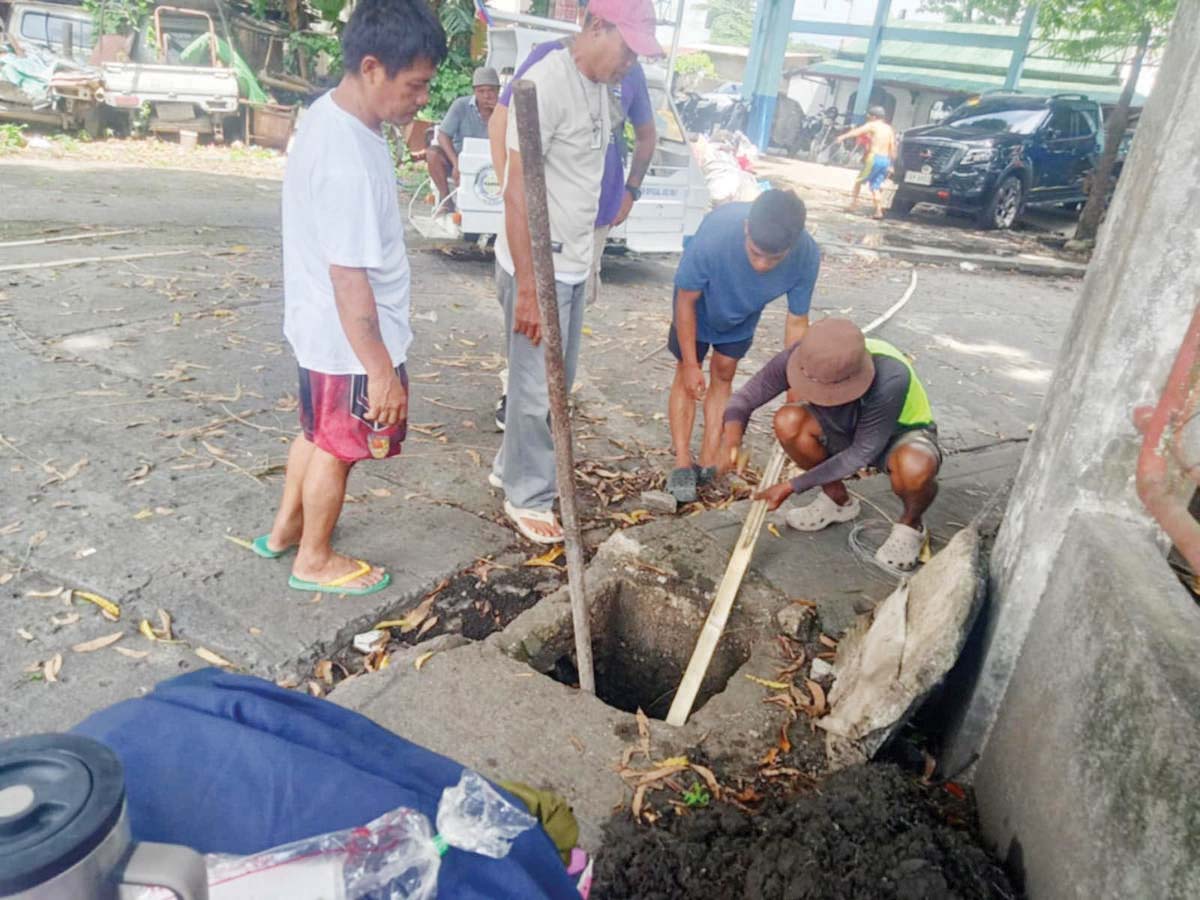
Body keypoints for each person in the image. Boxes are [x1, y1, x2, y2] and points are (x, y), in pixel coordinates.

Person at [254, 0, 445, 595]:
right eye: (414, 86)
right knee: (338, 448)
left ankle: (286, 530)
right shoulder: (348, 162)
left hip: (319, 331)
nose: (421, 100)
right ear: (371, 67)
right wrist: (381, 372)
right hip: (349, 342)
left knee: (315, 434)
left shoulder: (328, 117)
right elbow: (350, 278)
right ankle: (315, 558)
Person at [491, 0, 662, 543]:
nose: (632, 61)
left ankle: (511, 467)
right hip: (538, 268)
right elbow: (518, 191)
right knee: (538, 388)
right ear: (593, 26)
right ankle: (528, 496)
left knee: (549, 384)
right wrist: (528, 287)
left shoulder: (601, 86)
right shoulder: (544, 82)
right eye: (628, 46)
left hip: (569, 263)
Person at [719, 317, 941, 571]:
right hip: (843, 423)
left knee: (914, 467)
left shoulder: (891, 375)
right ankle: (837, 501)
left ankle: (912, 524)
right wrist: (732, 439)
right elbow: (745, 398)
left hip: (898, 433)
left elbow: (862, 452)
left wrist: (792, 486)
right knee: (789, 421)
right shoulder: (808, 356)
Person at [665, 189, 818, 504]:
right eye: (755, 252)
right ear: (747, 228)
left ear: (793, 245)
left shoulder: (806, 255)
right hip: (697, 308)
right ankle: (682, 462)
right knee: (686, 376)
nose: (762, 265)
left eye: (774, 258)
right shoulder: (715, 236)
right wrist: (693, 364)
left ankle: (708, 459)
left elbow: (797, 322)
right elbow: (686, 301)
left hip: (742, 314)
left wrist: (796, 389)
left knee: (724, 372)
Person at [426, 66, 500, 214]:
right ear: (474, 91)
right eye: (481, 91)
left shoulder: (505, 109)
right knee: (432, 154)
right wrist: (456, 163)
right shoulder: (461, 105)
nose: (486, 96)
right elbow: (443, 135)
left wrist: (499, 114)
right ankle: (446, 201)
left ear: (498, 90)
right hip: (461, 157)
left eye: (491, 90)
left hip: (493, 162)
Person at [838, 106, 895, 219]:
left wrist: (842, 137)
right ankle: (878, 212)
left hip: (874, 158)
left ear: (874, 117)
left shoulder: (872, 125)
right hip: (885, 160)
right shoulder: (889, 129)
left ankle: (853, 205)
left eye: (869, 116)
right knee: (875, 186)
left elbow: (857, 132)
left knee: (858, 181)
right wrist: (892, 164)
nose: (868, 118)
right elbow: (892, 147)